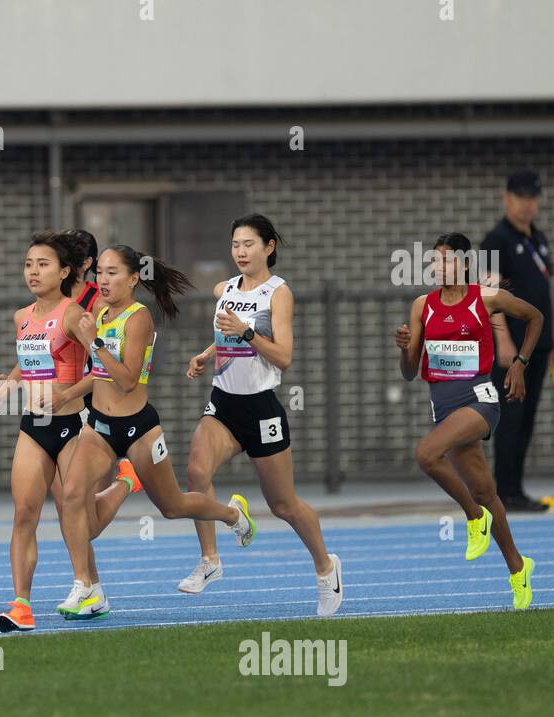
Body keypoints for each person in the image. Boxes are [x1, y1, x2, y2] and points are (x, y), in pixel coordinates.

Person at [55, 244, 255, 620]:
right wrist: (69, 392)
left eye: (113, 272)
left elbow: (128, 379)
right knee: (70, 496)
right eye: (100, 272)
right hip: (98, 425)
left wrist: (91, 342)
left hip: (137, 428)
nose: (104, 279)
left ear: (133, 279)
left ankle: (230, 515)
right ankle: (87, 587)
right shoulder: (96, 311)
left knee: (172, 505)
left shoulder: (138, 318)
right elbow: (98, 376)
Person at [182, 214, 343, 616]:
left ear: (269, 247)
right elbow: (225, 337)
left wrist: (247, 332)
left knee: (283, 505)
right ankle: (210, 560)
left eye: (249, 244)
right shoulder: (225, 288)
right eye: (235, 243)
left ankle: (326, 568)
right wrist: (206, 355)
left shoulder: (278, 293)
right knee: (197, 473)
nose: (240, 251)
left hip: (260, 407)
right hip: (223, 401)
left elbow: (284, 357)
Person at [0, 231, 137, 633]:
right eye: (29, 264)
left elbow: (102, 369)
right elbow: (26, 364)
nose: (33, 271)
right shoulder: (21, 317)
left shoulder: (75, 315)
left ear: (65, 271)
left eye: (43, 264)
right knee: (24, 514)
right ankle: (21, 605)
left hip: (73, 425)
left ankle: (88, 580)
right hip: (34, 425)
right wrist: (3, 391)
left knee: (77, 514)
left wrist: (67, 393)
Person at [394, 233, 544, 609]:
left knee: (426, 454)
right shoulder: (422, 306)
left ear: (463, 264)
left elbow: (534, 317)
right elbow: (410, 372)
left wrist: (520, 365)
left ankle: (473, 519)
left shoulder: (485, 298)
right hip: (444, 410)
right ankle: (518, 566)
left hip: (480, 401)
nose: (439, 268)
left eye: (447, 261)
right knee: (486, 491)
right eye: (435, 262)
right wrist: (405, 348)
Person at [481, 169, 554, 513]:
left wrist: (553, 338)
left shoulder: (538, 239)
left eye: (532, 198)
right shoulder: (496, 240)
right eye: (521, 197)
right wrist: (504, 344)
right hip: (513, 350)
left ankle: (516, 488)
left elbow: (548, 290)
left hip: (538, 346)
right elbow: (489, 294)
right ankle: (505, 492)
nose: (527, 205)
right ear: (506, 198)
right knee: (510, 419)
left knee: (526, 420)